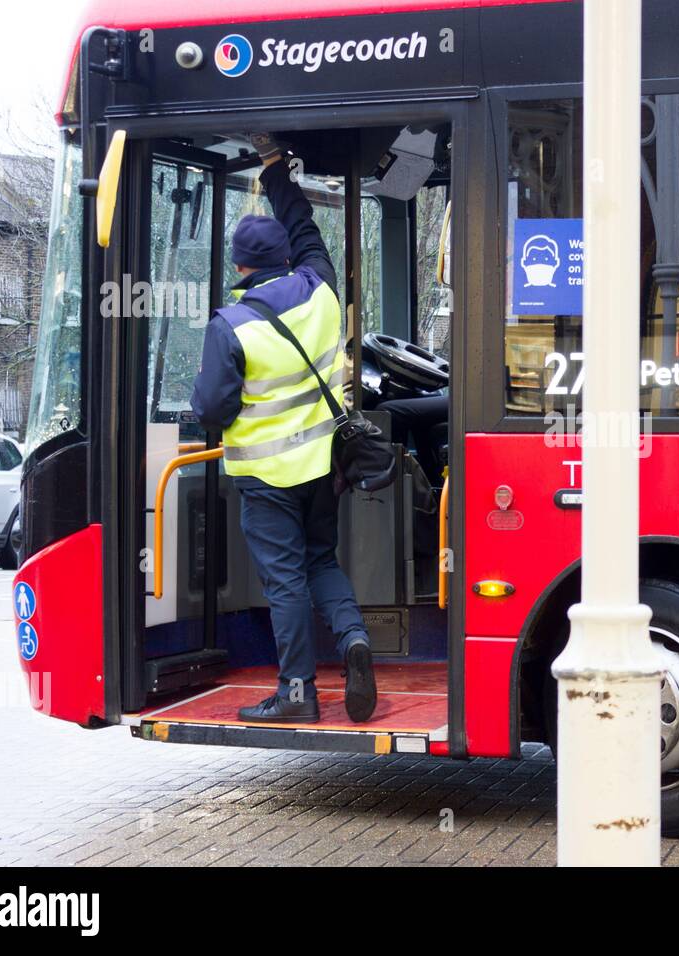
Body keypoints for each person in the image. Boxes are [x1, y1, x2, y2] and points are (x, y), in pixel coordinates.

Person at [190, 136, 376, 725]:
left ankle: (297, 689)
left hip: (266, 479)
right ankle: (353, 641)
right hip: (324, 466)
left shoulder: (231, 326)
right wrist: (276, 173)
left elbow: (211, 411)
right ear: (286, 258)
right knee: (322, 563)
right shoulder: (321, 288)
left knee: (286, 579)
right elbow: (307, 231)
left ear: (240, 267)